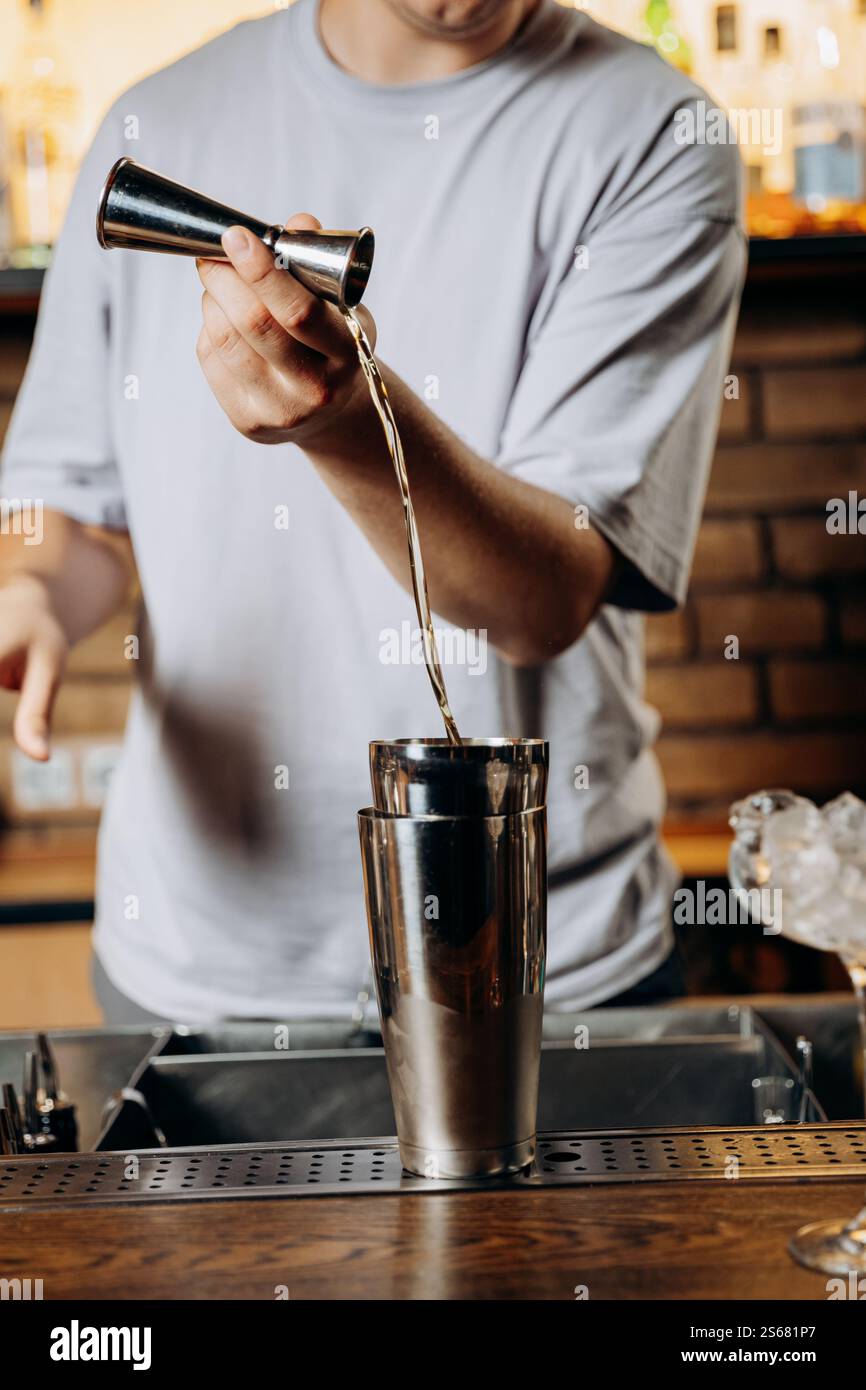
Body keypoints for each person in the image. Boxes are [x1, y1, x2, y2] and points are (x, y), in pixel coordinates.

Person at [0, 0, 745, 1024]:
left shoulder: (652, 133)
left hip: (539, 975)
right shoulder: (155, 122)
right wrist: (31, 591)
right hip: (196, 969)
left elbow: (543, 597)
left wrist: (345, 421)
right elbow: (63, 502)